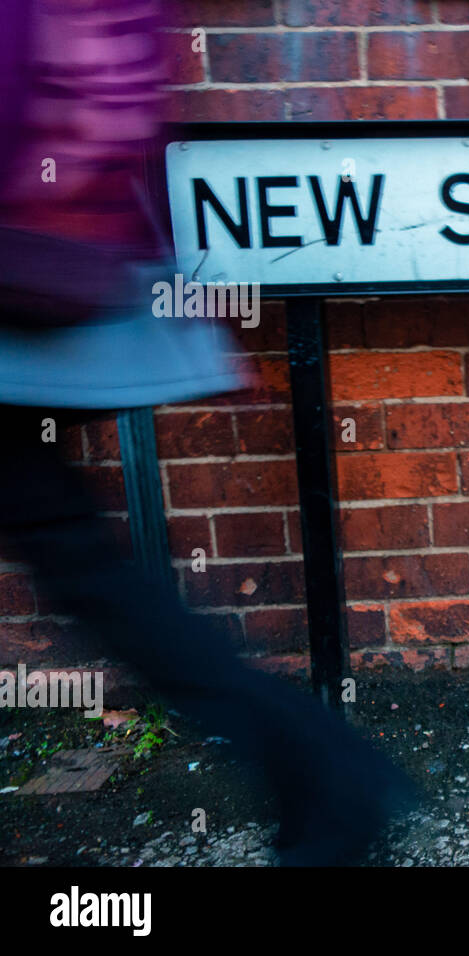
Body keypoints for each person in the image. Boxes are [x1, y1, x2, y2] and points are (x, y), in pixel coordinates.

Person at [0, 0, 416, 865]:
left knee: (91, 574)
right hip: (74, 287)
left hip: (34, 297)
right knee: (92, 574)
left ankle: (330, 773)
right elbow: (127, 123)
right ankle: (329, 772)